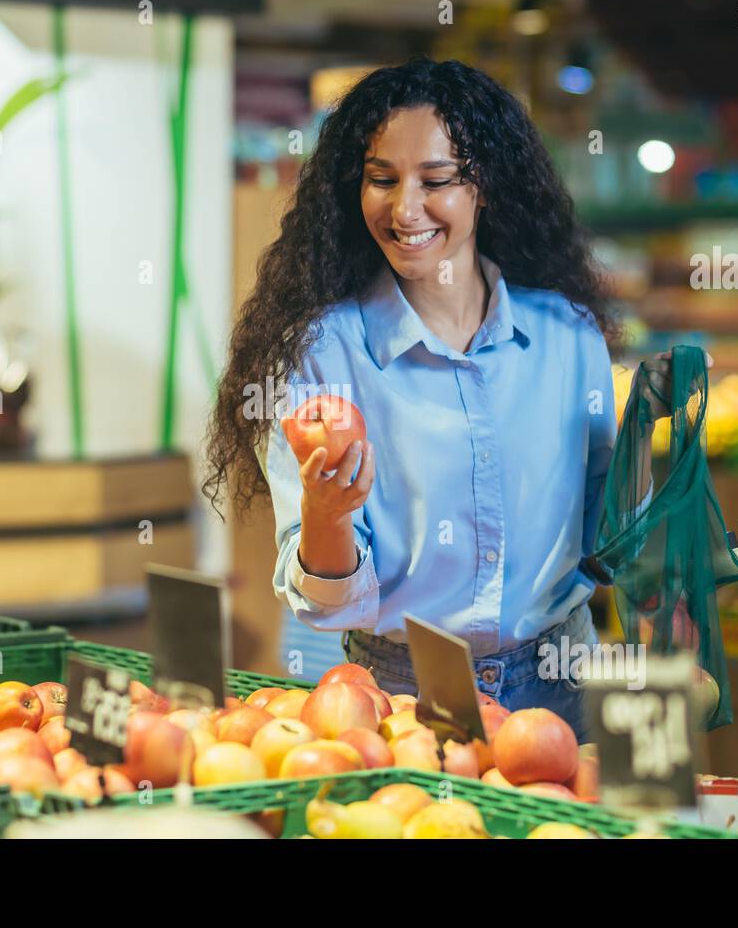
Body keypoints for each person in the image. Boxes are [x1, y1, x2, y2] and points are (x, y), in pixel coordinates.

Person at [203, 58, 682, 742]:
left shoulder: (566, 335)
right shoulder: (320, 353)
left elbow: (611, 542)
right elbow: (326, 604)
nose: (405, 210)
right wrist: (326, 512)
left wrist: (647, 437)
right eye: (382, 180)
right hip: (399, 697)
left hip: (563, 684)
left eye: (435, 181)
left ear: (484, 186)